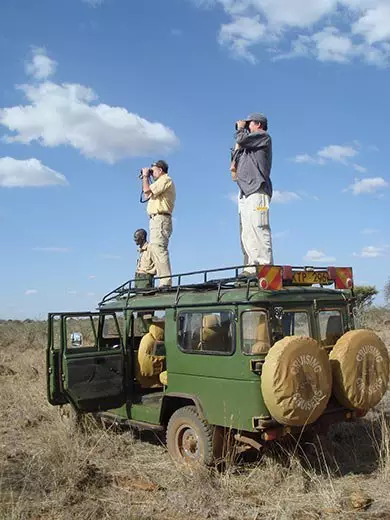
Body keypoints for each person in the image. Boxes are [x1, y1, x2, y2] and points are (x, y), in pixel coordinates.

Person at [234, 112, 273, 274]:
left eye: (249, 124)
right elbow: (234, 161)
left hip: (258, 188)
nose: (247, 126)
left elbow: (241, 139)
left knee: (259, 226)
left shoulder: (264, 136)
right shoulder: (249, 145)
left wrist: (240, 130)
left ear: (258, 124)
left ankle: (265, 265)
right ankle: (251, 267)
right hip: (245, 191)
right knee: (247, 232)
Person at [141, 160, 176, 287]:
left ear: (160, 170)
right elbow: (147, 194)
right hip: (156, 219)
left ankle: (165, 281)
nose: (151, 172)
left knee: (159, 248)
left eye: (153, 170)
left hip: (161, 218)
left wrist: (145, 176)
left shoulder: (165, 179)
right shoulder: (159, 183)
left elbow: (146, 191)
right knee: (155, 249)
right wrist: (148, 178)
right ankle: (163, 280)